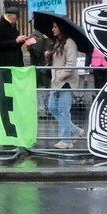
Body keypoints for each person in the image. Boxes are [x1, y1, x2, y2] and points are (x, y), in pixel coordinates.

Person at [45, 21, 80, 149]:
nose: (52, 29)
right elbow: (57, 61)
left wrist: (60, 76)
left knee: (63, 110)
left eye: (55, 27)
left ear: (61, 28)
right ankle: (74, 130)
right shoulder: (58, 43)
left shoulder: (70, 43)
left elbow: (70, 64)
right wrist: (49, 56)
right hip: (56, 82)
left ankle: (66, 140)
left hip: (66, 82)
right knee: (52, 107)